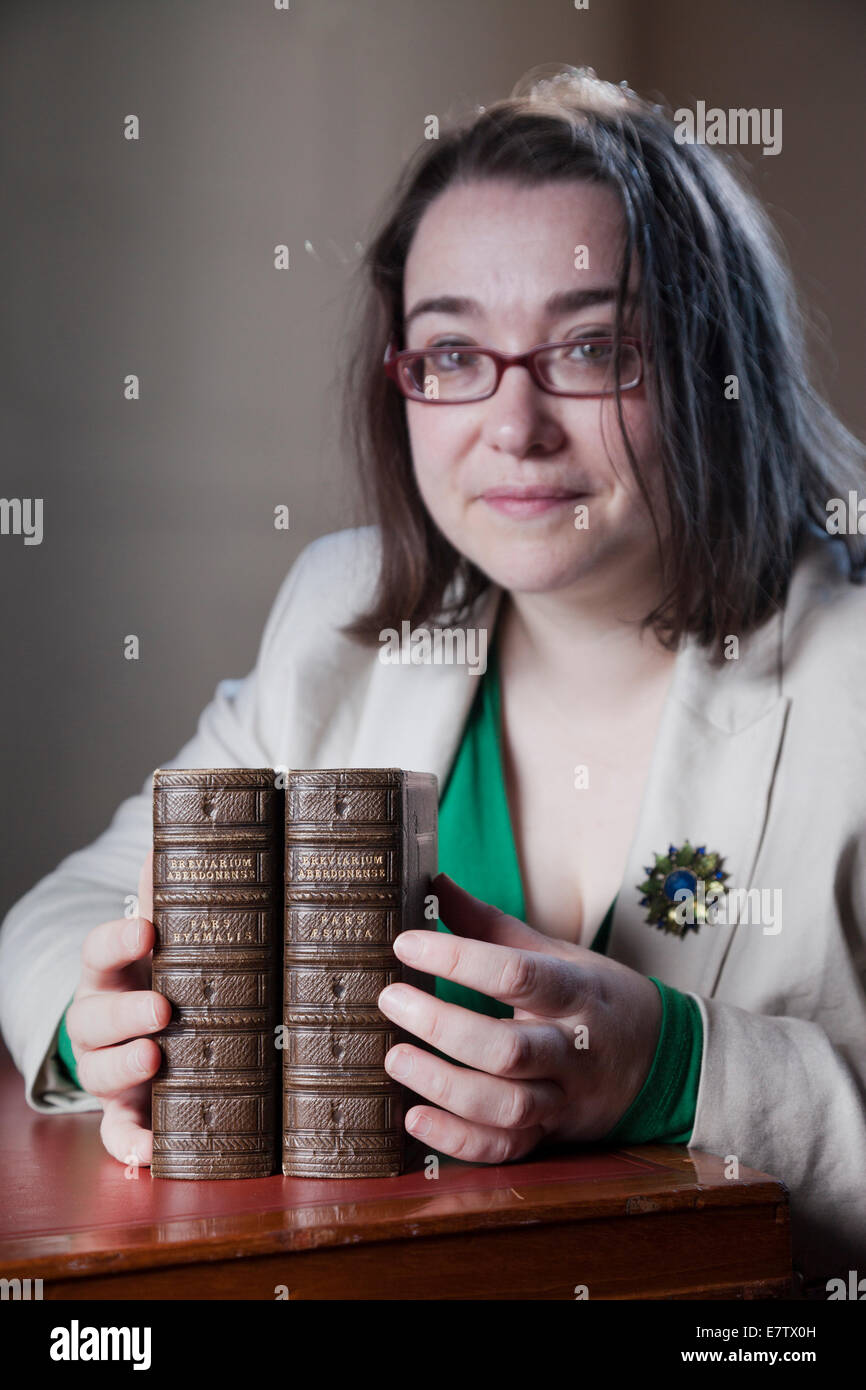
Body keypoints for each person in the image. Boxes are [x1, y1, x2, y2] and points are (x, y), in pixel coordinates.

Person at [1, 65, 865, 1289]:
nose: (510, 427)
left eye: (593, 346)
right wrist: (107, 1037)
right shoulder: (339, 617)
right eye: (452, 351)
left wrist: (675, 1070)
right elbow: (59, 911)